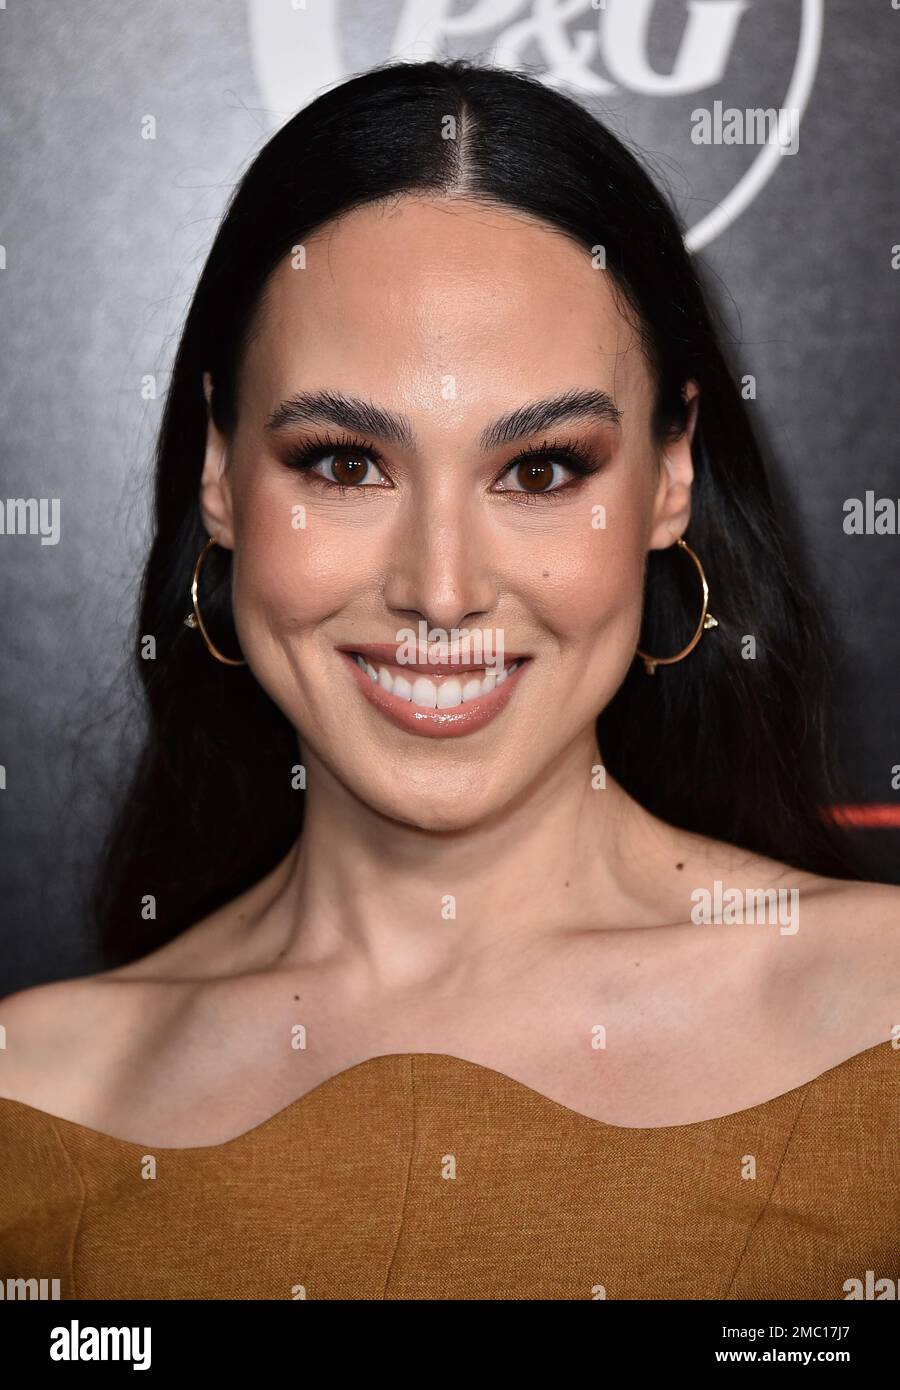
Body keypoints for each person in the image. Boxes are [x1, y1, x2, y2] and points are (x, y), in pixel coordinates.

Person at [1, 58, 898, 1302]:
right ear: (218, 473)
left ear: (672, 474)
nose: (440, 588)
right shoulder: (34, 1100)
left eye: (539, 470)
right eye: (343, 463)